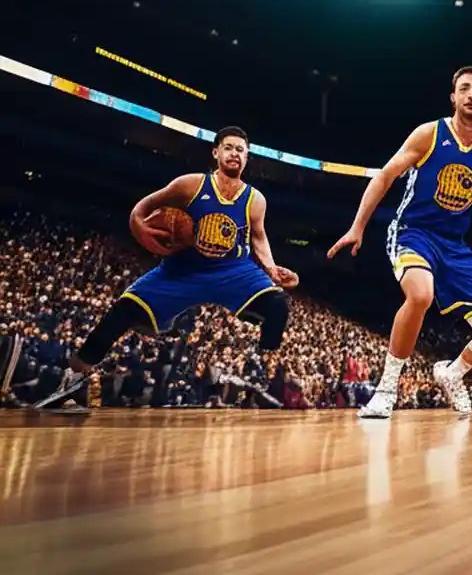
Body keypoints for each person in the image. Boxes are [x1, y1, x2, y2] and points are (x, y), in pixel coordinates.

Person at [33, 126, 297, 411]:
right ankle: (71, 382)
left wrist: (271, 269)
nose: (235, 153)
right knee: (122, 311)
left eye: (240, 150)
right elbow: (142, 208)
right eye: (229, 147)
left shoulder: (255, 199)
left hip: (233, 270)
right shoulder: (190, 185)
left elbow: (258, 237)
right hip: (182, 270)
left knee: (278, 305)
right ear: (216, 152)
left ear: (247, 158)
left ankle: (262, 360)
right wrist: (139, 228)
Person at [328, 66, 472, 419]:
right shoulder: (429, 134)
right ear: (453, 97)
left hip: (454, 246)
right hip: (413, 232)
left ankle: (452, 373)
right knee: (420, 295)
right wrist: (357, 226)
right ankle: (386, 391)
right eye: (465, 88)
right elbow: (385, 176)